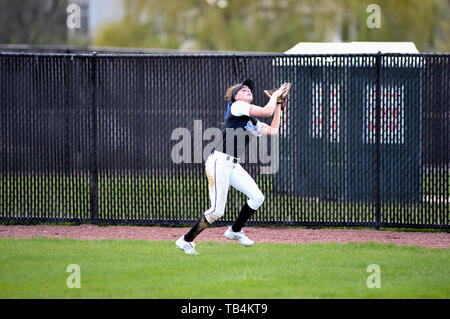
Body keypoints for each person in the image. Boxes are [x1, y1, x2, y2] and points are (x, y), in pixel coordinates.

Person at [176, 79, 289, 254]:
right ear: (236, 96)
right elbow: (266, 110)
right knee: (216, 212)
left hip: (233, 165)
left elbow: (273, 130)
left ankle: (234, 231)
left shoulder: (251, 121)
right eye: (243, 90)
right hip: (219, 162)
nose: (248, 91)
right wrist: (275, 97)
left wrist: (278, 107)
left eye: (250, 90)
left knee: (257, 197)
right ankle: (186, 240)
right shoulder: (237, 106)